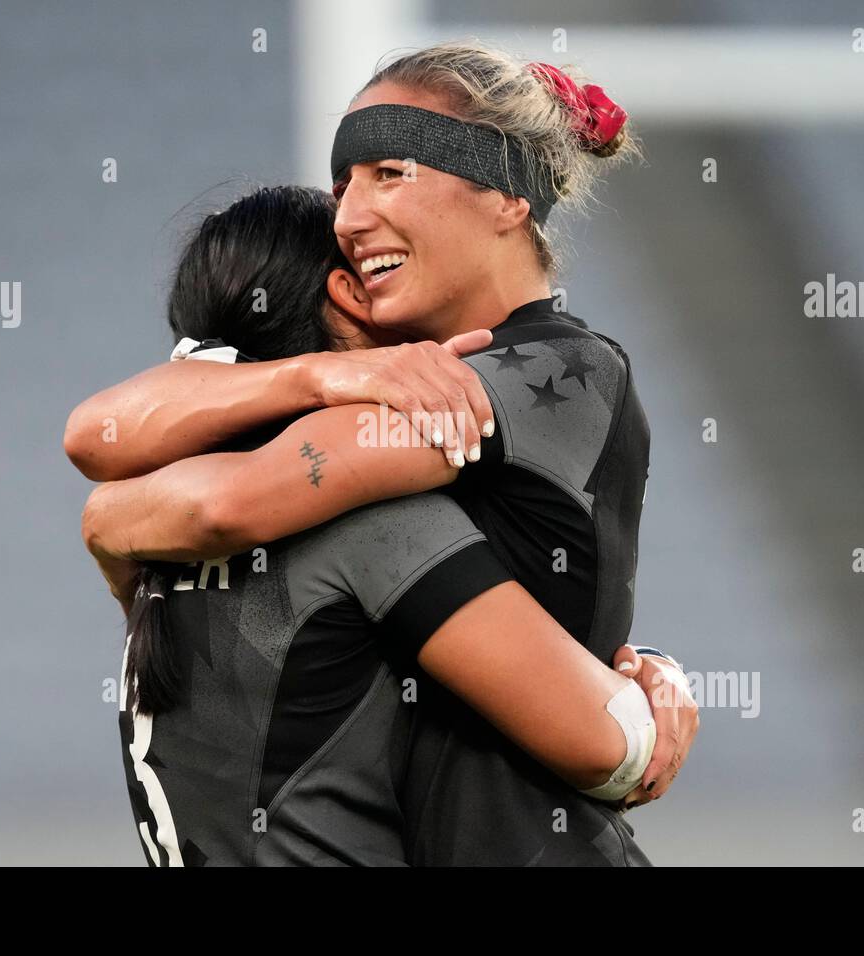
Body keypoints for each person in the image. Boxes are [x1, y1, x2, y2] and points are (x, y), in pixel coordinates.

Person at [67, 41, 699, 866]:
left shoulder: (555, 370)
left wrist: (113, 516)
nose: (349, 217)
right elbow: (98, 436)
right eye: (342, 187)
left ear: (508, 195)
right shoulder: (380, 426)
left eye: (390, 173)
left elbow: (228, 493)